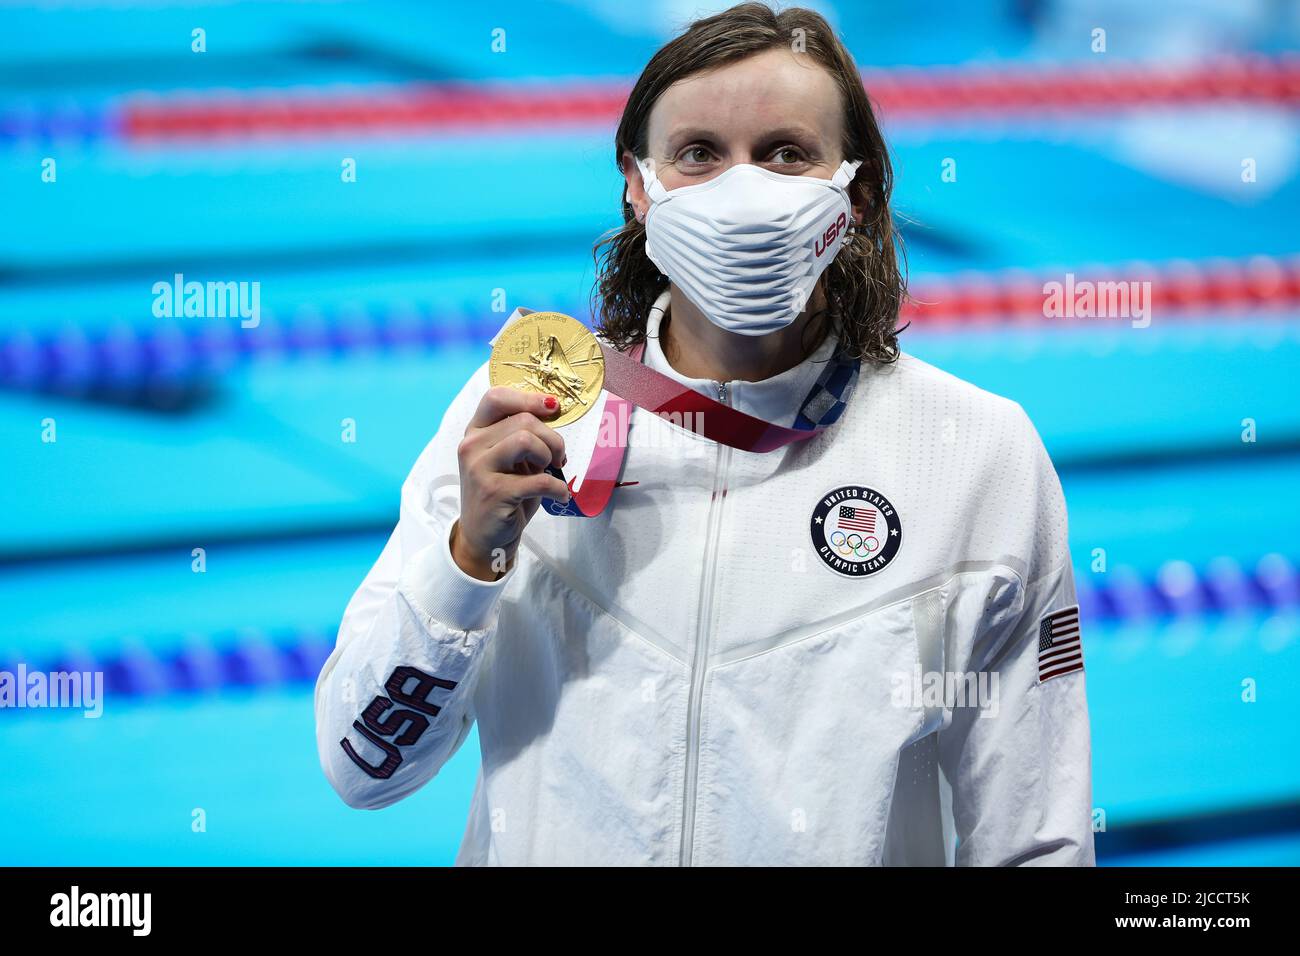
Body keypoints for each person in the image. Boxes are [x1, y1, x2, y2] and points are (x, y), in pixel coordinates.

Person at [314, 1, 1094, 866]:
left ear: (857, 191)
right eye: (699, 155)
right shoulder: (518, 415)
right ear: (638, 185)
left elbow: (1037, 839)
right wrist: (468, 561)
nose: (743, 191)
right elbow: (363, 767)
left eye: (786, 153)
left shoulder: (975, 453)